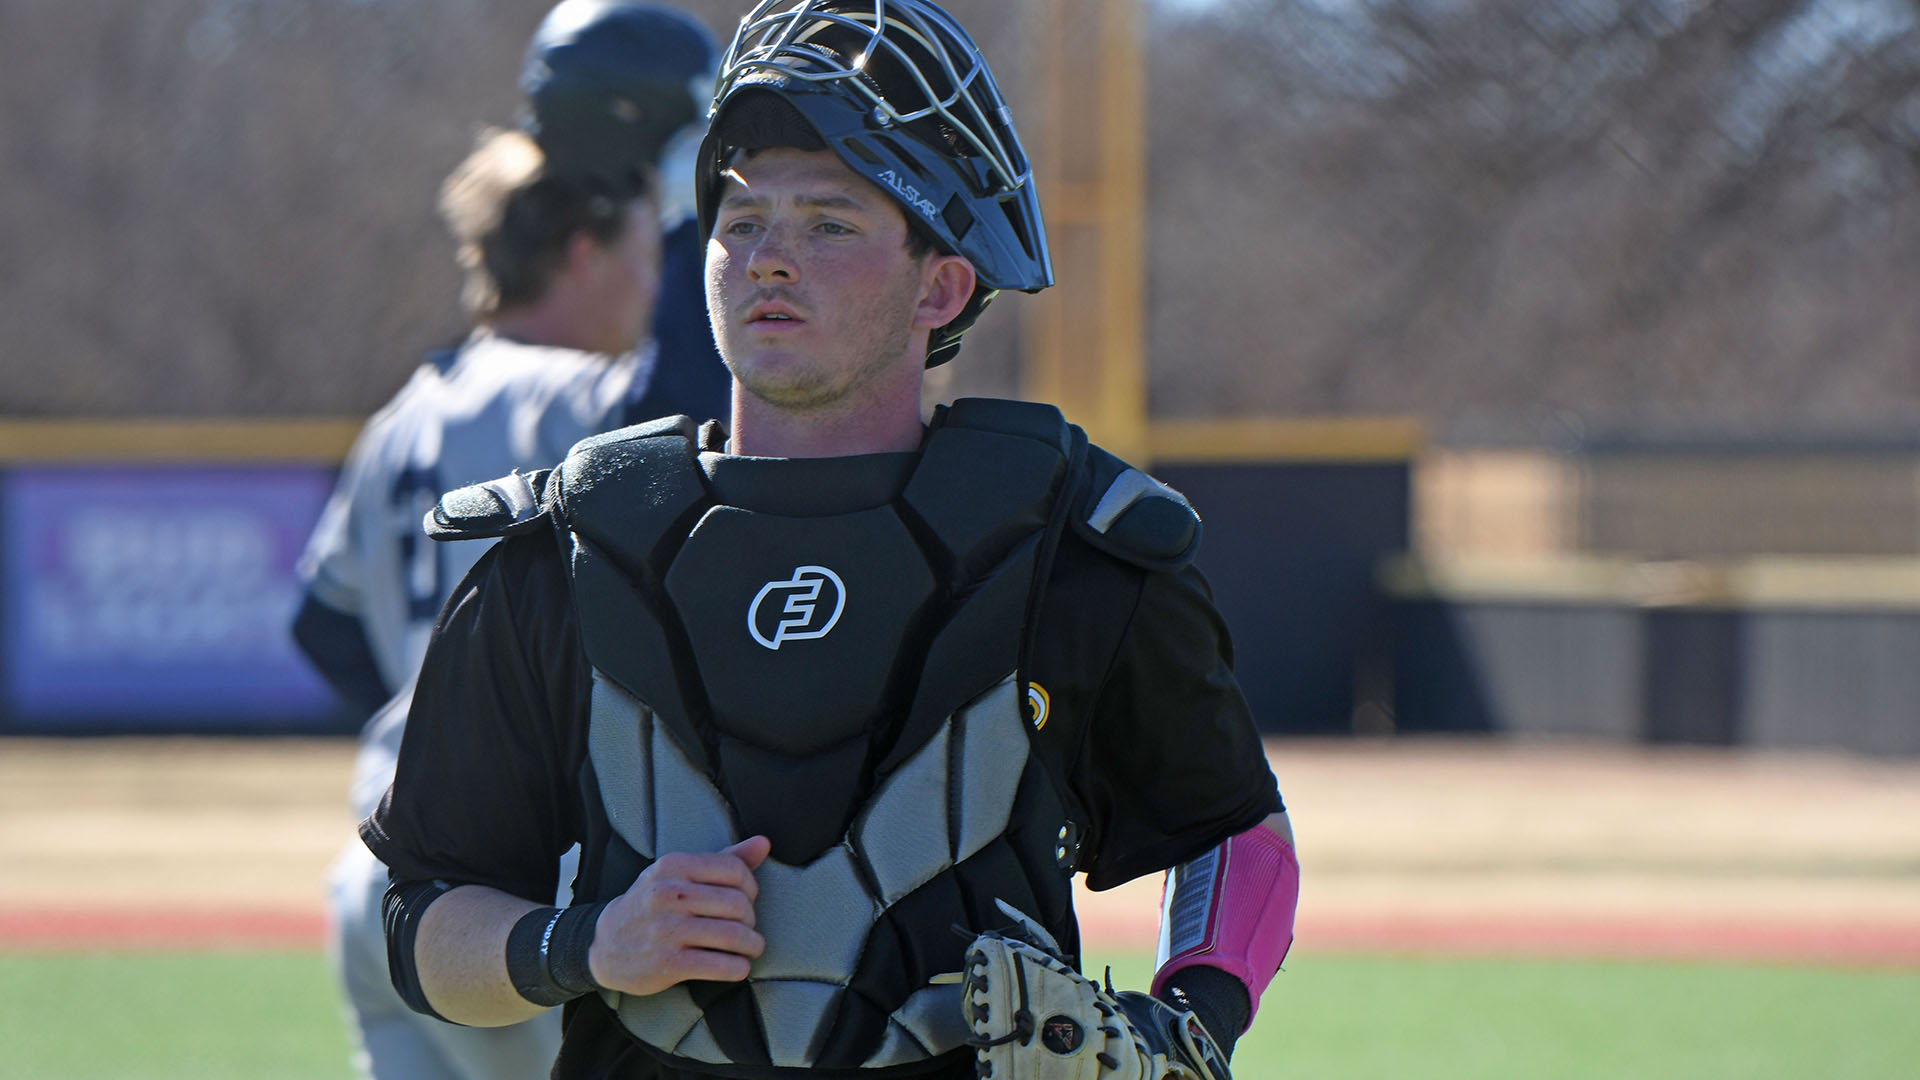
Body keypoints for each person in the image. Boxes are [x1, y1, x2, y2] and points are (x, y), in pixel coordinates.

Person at [362, 3, 1299, 1079]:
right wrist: (584, 944)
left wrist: (1192, 1026)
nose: (768, 259)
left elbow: (1233, 831)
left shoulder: (1072, 545)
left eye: (830, 223)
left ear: (941, 284)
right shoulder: (567, 552)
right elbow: (421, 919)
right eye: (742, 219)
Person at [294, 7, 726, 1078]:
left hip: (378, 880)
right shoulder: (563, 402)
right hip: (510, 886)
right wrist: (680, 205)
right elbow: (691, 408)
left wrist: (425, 709)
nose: (653, 280)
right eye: (637, 249)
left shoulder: (401, 415)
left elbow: (324, 627)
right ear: (582, 247)